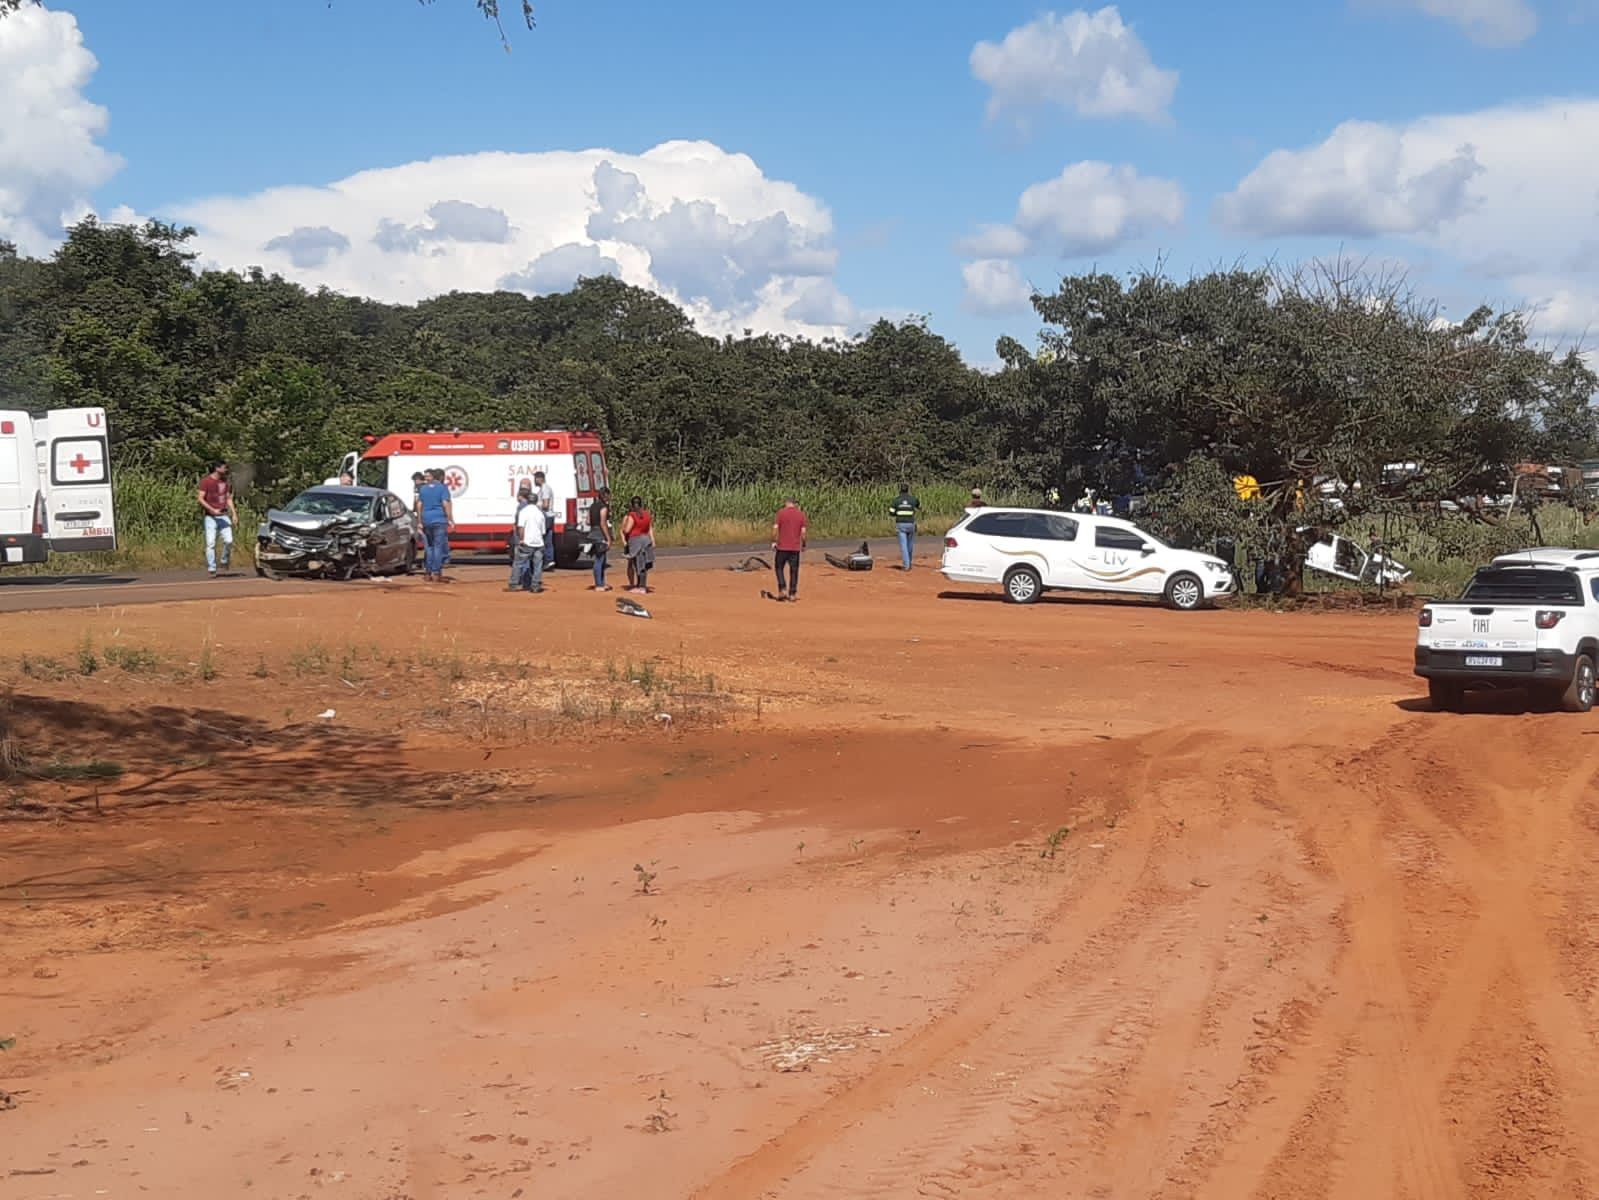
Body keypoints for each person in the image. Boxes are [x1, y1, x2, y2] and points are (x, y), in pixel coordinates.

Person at [198, 462, 237, 578]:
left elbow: (228, 498)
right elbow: (200, 498)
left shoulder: (225, 482)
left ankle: (224, 560)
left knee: (229, 540)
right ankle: (212, 567)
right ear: (217, 468)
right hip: (210, 517)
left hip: (223, 515)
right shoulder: (206, 481)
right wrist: (212, 509)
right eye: (224, 467)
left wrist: (234, 513)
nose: (226, 470)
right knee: (210, 543)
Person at [417, 468, 453, 582]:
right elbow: (445, 503)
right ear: (440, 477)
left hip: (426, 519)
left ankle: (428, 572)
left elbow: (419, 505)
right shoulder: (442, 488)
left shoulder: (423, 489)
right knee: (438, 547)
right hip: (439, 519)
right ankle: (436, 572)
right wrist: (450, 518)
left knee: (429, 547)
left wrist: (419, 520)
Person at [772, 497, 808, 602]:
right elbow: (803, 533)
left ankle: (782, 588)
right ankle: (792, 593)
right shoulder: (801, 515)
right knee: (794, 570)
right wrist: (804, 544)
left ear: (786, 503)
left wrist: (774, 542)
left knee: (779, 567)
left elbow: (775, 529)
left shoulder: (781, 513)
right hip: (795, 548)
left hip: (782, 546)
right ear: (794, 504)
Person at [510, 489, 546, 594]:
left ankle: (514, 584)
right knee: (537, 565)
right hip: (539, 542)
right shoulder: (540, 514)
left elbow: (521, 527)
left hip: (527, 542)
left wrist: (521, 539)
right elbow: (543, 531)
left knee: (518, 563)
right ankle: (535, 585)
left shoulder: (523, 512)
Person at [622, 496, 655, 594]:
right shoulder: (647, 514)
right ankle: (641, 585)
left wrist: (624, 529)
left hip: (636, 541)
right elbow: (649, 528)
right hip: (646, 540)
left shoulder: (632, 515)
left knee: (638, 564)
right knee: (644, 564)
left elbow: (627, 530)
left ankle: (641, 587)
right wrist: (653, 540)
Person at [507, 480, 535, 590]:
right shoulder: (530, 506)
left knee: (520, 560)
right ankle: (526, 581)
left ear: (520, 496)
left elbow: (520, 523)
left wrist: (520, 537)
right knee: (528, 559)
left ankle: (519, 581)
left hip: (521, 535)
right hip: (528, 535)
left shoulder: (521, 507)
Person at [889, 484, 920, 571]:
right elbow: (918, 505)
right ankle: (909, 562)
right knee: (910, 545)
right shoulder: (912, 499)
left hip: (901, 524)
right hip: (911, 523)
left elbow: (891, 512)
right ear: (908, 490)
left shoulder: (896, 500)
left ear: (900, 490)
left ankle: (906, 565)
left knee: (903, 545)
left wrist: (897, 513)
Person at [590, 486, 613, 591]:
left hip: (593, 532)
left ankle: (602, 582)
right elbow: (603, 523)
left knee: (602, 559)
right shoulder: (603, 508)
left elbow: (587, 520)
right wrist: (608, 538)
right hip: (600, 534)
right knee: (600, 559)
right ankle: (599, 584)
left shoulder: (593, 506)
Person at [533, 469, 556, 574]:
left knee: (541, 538)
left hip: (545, 516)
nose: (534, 481)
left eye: (535, 479)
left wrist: (536, 505)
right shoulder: (544, 488)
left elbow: (546, 504)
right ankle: (549, 560)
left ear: (539, 478)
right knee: (548, 539)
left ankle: (542, 560)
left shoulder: (545, 489)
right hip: (549, 516)